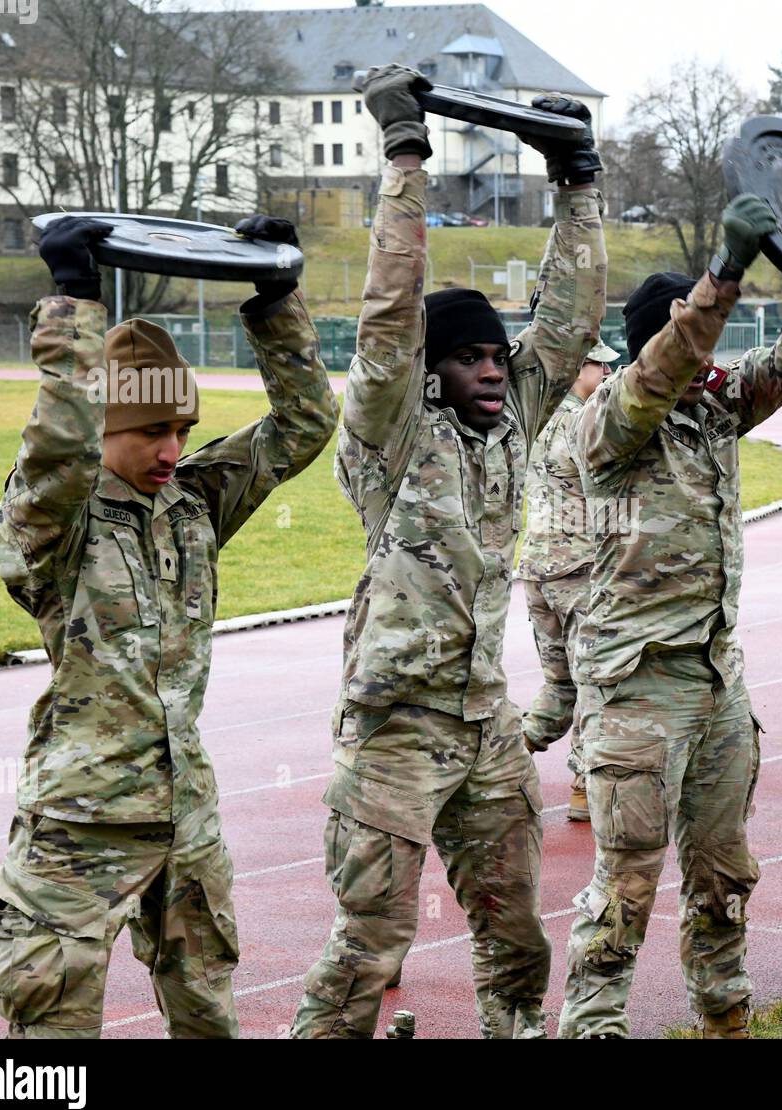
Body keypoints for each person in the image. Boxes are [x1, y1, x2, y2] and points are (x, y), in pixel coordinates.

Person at [290, 64, 606, 1040]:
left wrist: (578, 182)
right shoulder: (391, 437)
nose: (490, 370)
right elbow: (389, 313)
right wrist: (404, 153)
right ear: (432, 372)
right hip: (391, 733)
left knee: (518, 943)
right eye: (470, 357)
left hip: (483, 728)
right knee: (369, 945)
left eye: (495, 358)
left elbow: (571, 315)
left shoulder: (512, 423)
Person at [0, 214, 337, 1038]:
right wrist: (73, 304)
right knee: (50, 1038)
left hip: (185, 815)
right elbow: (58, 449)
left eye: (182, 428)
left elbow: (304, 427)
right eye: (151, 431)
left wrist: (275, 296)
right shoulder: (51, 523)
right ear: (105, 426)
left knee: (210, 1013)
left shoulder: (193, 503)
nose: (175, 448)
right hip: (79, 826)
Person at [557, 183, 782, 1039]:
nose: (706, 355)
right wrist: (723, 275)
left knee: (723, 874)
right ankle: (592, 1028)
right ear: (658, 342)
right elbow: (663, 369)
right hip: (636, 695)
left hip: (713, 687)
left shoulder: (711, 411)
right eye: (688, 330)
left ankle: (724, 1019)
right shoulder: (611, 423)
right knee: (626, 886)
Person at [516, 341, 619, 823]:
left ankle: (506, 755)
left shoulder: (534, 416)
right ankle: (583, 784)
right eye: (603, 365)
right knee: (594, 681)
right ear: (582, 368)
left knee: (559, 685)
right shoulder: (584, 421)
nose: (609, 373)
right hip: (579, 568)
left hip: (537, 566)